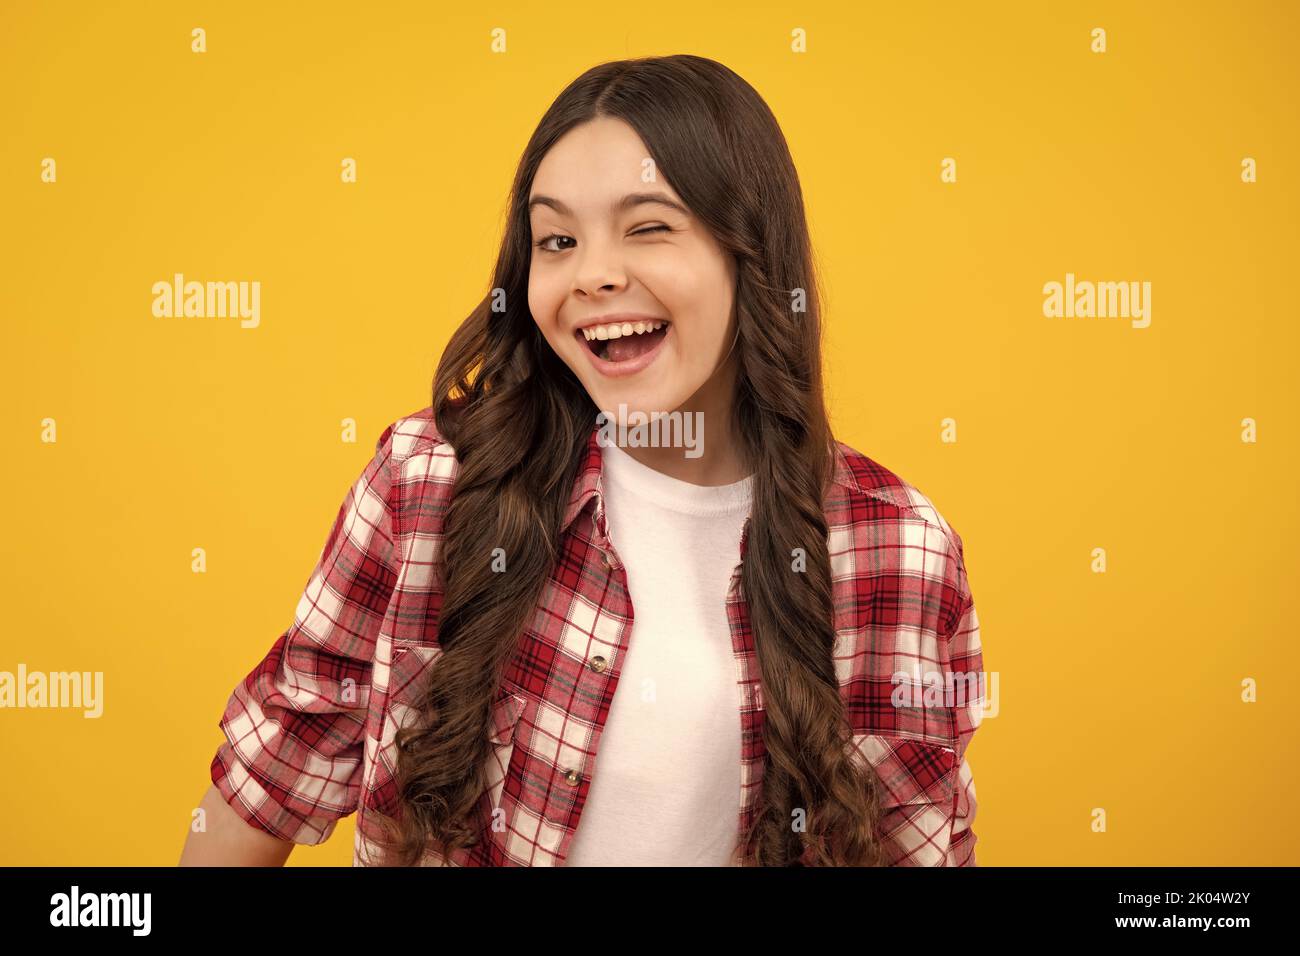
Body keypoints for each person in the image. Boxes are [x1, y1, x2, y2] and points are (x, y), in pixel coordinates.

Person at [179, 53, 984, 868]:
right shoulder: (429, 480)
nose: (593, 274)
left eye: (648, 226)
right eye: (557, 239)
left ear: (749, 252)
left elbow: (914, 846)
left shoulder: (900, 549)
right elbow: (270, 773)